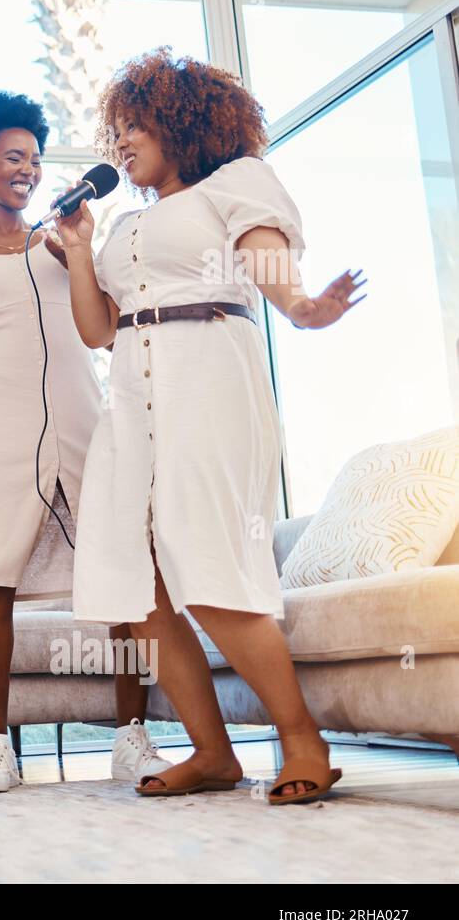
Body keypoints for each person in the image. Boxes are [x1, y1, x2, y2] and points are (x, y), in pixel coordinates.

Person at [60, 47, 365, 803]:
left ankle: (302, 739)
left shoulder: (234, 182)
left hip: (208, 376)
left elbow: (264, 257)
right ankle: (213, 752)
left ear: (183, 123)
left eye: (137, 125)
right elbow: (98, 330)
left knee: (206, 558)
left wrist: (300, 307)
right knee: (141, 584)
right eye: (117, 129)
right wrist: (74, 249)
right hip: (131, 393)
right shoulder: (122, 222)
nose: (122, 141)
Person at [0, 91, 172, 792]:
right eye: (11, 158)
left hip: (83, 414)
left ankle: (132, 736)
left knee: (123, 567)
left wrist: (80, 248)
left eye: (33, 157)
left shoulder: (61, 239)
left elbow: (109, 319)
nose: (27, 170)